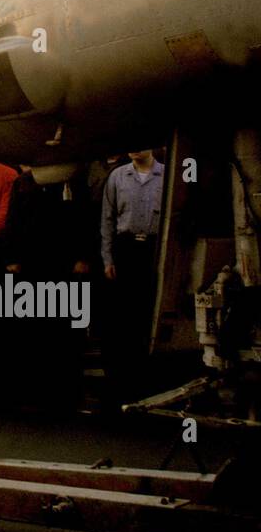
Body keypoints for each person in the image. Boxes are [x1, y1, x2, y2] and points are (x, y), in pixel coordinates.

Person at [100, 148, 165, 404]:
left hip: (154, 247)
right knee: (122, 316)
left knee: (147, 313)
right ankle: (120, 381)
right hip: (126, 247)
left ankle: (146, 379)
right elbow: (107, 219)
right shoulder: (117, 176)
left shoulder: (166, 175)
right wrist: (108, 258)